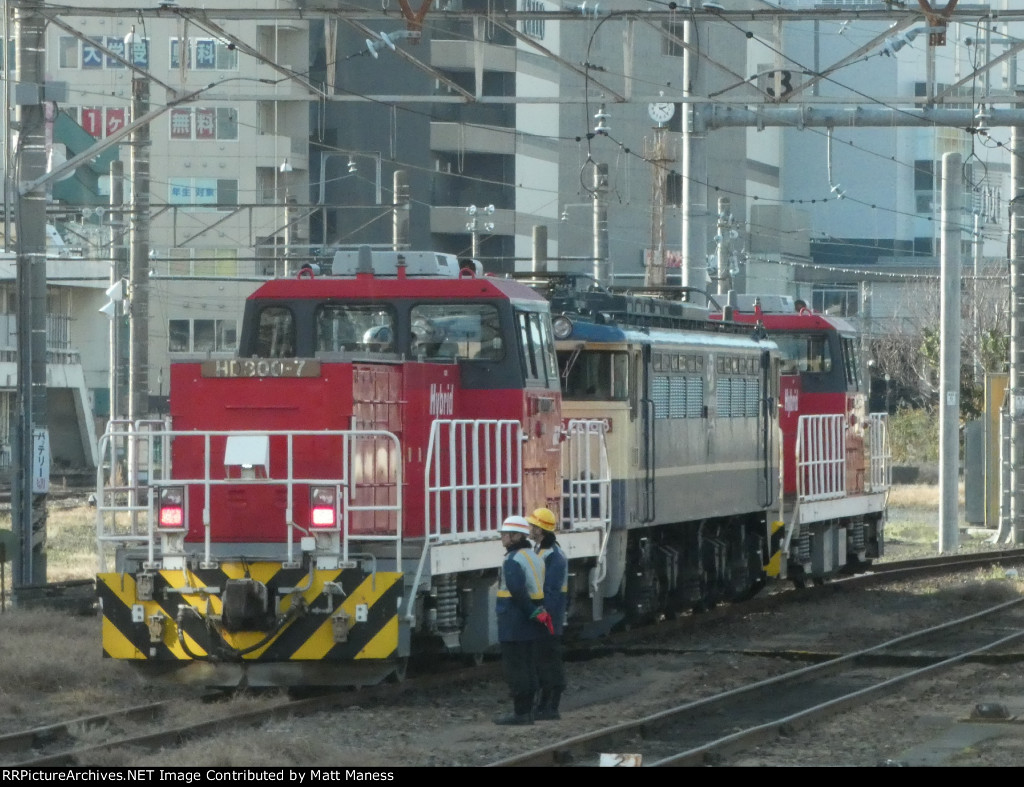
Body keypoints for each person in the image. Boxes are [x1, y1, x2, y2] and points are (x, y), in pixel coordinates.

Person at [494, 515, 553, 725]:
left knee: (516, 668)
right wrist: (538, 613)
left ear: (516, 536)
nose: (502, 538)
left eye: (505, 535)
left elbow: (517, 591)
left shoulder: (512, 561)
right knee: (529, 665)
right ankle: (528, 711)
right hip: (532, 620)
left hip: (513, 620)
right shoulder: (534, 556)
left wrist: (530, 611)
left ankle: (521, 713)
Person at [528, 506, 567, 721]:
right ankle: (545, 705)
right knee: (543, 660)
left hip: (549, 618)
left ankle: (551, 706)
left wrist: (543, 614)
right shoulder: (543, 551)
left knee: (549, 661)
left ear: (540, 530)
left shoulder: (553, 556)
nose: (530, 529)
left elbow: (551, 590)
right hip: (546, 616)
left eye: (533, 526)